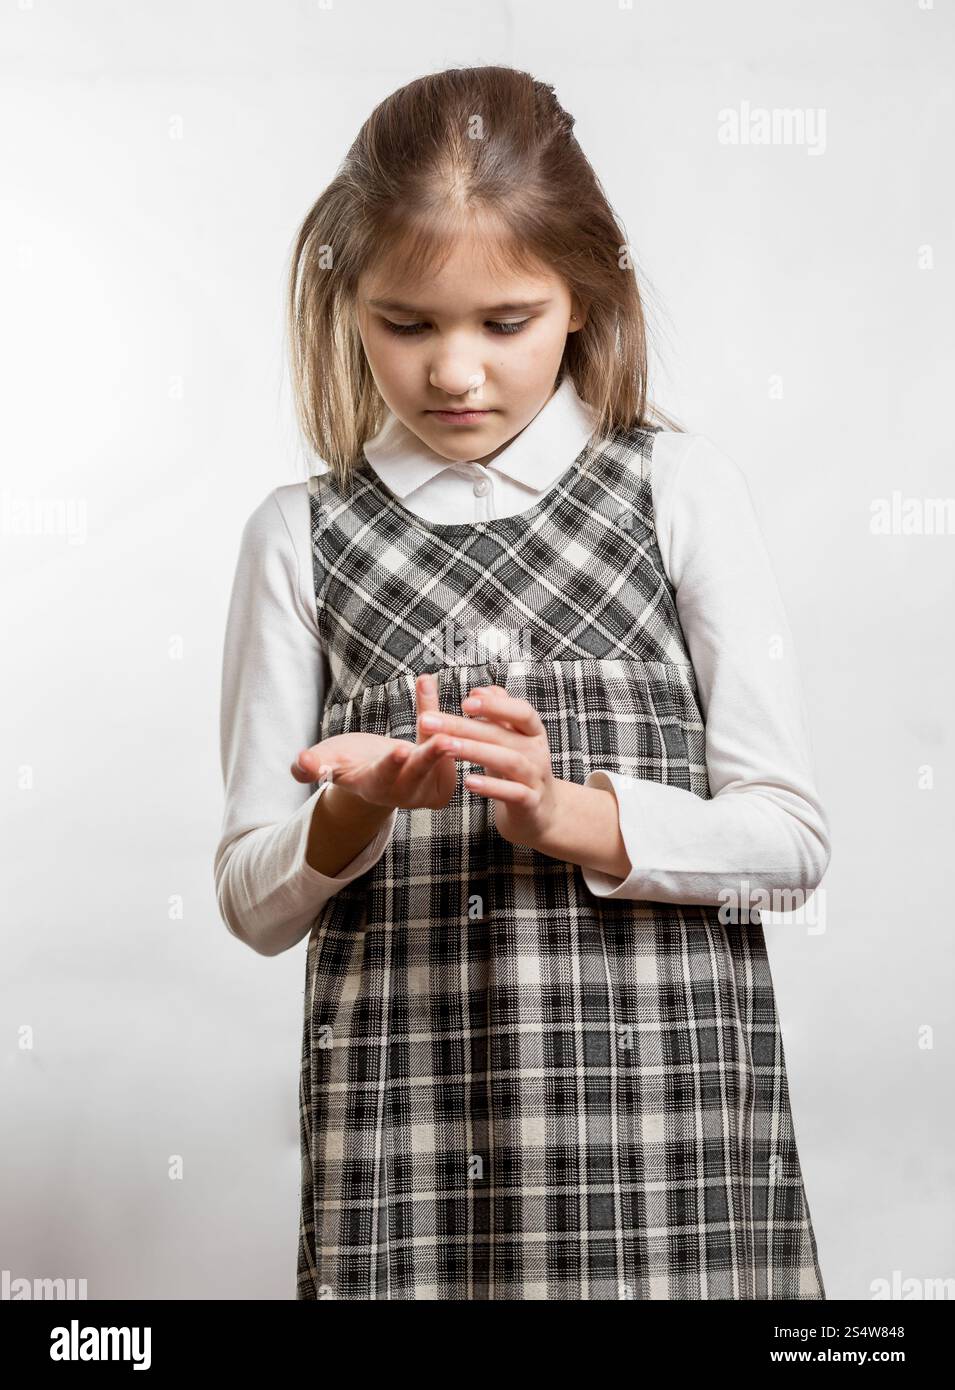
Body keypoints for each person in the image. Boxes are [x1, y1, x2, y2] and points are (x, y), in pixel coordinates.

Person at [214, 65, 831, 1301]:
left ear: (583, 300)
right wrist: (357, 812)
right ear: (346, 308)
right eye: (407, 323)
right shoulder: (300, 537)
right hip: (409, 1143)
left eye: (504, 323)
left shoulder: (674, 491)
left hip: (666, 1136)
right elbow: (250, 896)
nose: (455, 372)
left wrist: (571, 816)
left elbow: (790, 840)